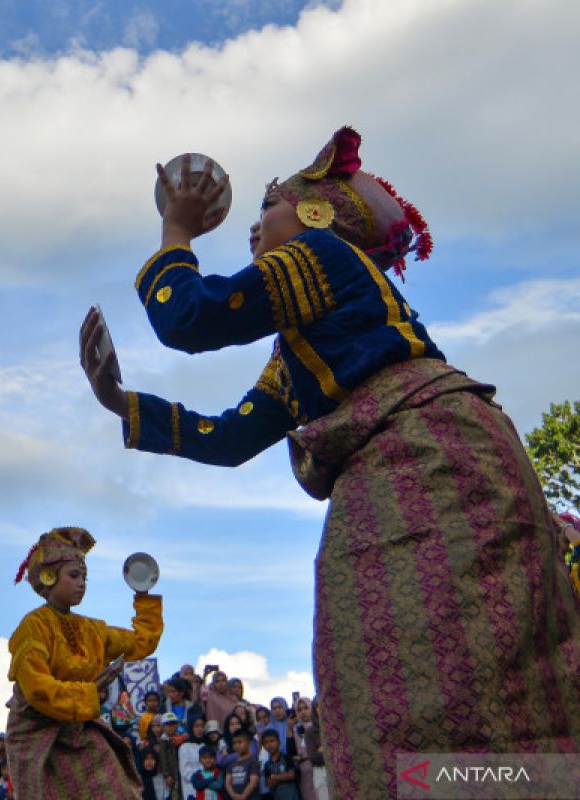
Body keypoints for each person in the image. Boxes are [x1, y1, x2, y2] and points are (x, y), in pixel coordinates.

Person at [80, 126, 580, 798]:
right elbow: (232, 438)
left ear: (315, 215)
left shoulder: (324, 257)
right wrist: (120, 402)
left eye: (267, 206)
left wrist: (176, 228)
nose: (254, 225)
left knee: (461, 674)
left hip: (431, 461)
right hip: (418, 465)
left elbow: (189, 318)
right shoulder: (301, 346)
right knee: (405, 681)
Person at [5, 527, 163, 800]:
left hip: (80, 731)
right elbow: (37, 689)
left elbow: (141, 643)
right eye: (74, 575)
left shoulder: (92, 630)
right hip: (39, 737)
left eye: (84, 577)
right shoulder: (34, 627)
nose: (82, 583)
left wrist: (143, 595)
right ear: (49, 577)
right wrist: (89, 693)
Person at [257, 732, 295, 800]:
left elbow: (292, 775)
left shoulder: (286, 758)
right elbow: (269, 783)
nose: (269, 744)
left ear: (279, 742)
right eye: (266, 742)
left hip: (292, 796)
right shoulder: (267, 765)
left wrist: (275, 777)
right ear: (264, 746)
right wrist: (282, 777)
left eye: (272, 741)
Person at [222, 732, 258, 800]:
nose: (237, 745)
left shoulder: (253, 761)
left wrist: (244, 796)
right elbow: (227, 783)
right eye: (234, 743)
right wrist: (233, 795)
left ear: (248, 743)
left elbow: (253, 782)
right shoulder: (231, 763)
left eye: (240, 742)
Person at [178, 717, 206, 800]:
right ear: (191, 728)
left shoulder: (205, 746)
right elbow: (185, 772)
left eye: (201, 726)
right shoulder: (184, 747)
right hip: (190, 788)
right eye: (196, 726)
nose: (199, 729)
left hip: (206, 788)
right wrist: (199, 778)